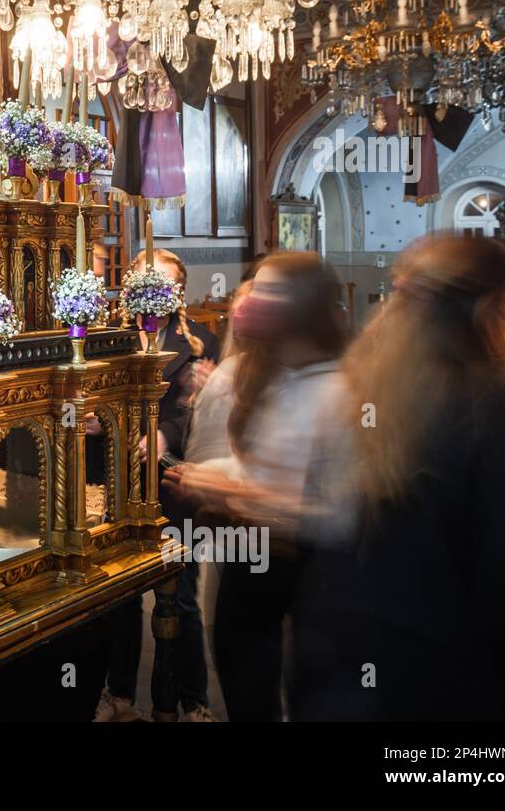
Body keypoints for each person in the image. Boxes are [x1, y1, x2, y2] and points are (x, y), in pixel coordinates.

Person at [289, 236, 505, 720]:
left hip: (334, 667)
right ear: (489, 311)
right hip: (445, 688)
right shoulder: (499, 418)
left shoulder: (352, 398)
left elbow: (314, 532)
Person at [164, 251, 348, 721]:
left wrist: (239, 492)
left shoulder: (343, 388)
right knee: (248, 686)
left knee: (317, 691)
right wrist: (220, 473)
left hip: (316, 569)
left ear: (303, 307)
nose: (249, 303)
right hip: (253, 557)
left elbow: (341, 509)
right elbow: (264, 461)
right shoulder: (263, 372)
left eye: (269, 292)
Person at [94, 248, 221, 722]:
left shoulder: (201, 343)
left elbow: (202, 411)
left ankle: (193, 701)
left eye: (163, 285)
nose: (153, 295)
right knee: (120, 597)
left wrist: (168, 430)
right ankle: (119, 694)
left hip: (171, 486)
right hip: (116, 483)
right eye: (144, 284)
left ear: (178, 292)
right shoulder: (110, 339)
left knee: (181, 597)